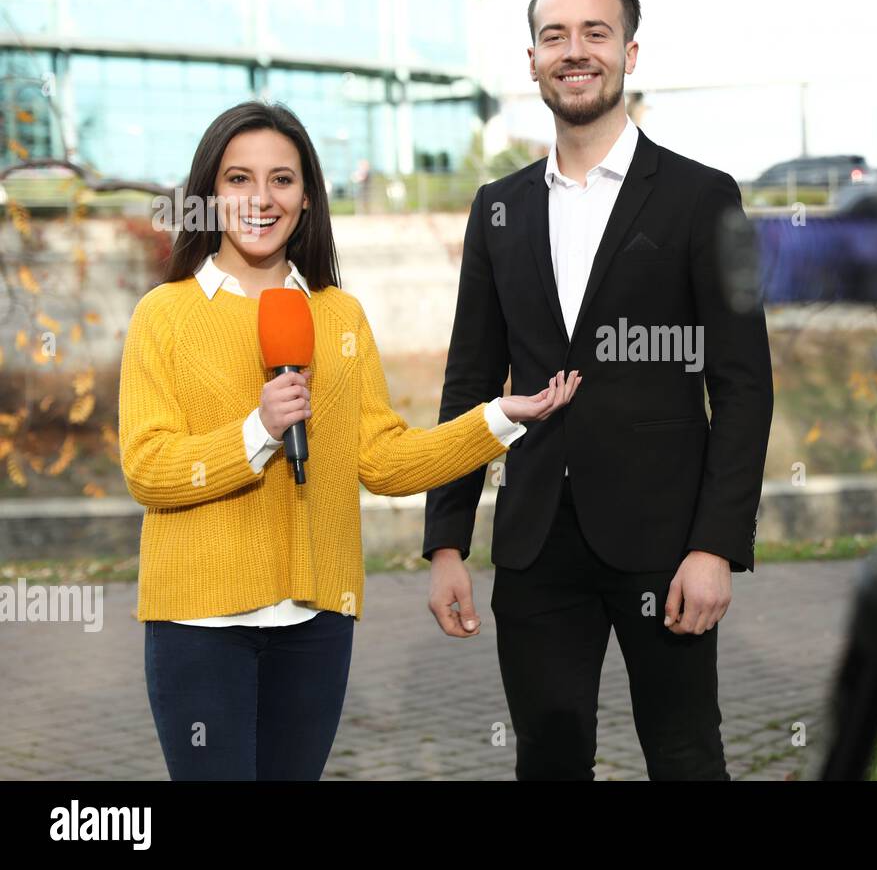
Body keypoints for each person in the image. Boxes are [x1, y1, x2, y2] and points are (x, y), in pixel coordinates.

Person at [118, 100, 579, 780]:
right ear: (210, 195)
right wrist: (259, 430)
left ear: (306, 199)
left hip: (316, 621)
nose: (260, 197)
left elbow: (383, 459)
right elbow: (148, 468)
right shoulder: (165, 315)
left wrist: (498, 419)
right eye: (238, 179)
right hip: (198, 627)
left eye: (282, 179)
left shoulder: (339, 316)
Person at [423, 0, 773, 780]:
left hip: (668, 542)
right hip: (536, 540)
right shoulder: (497, 206)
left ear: (630, 52)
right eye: (554, 36)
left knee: (687, 755)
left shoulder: (702, 197)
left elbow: (743, 384)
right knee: (547, 758)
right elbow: (468, 381)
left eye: (594, 33)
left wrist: (717, 546)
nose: (573, 51)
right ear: (534, 60)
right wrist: (447, 540)